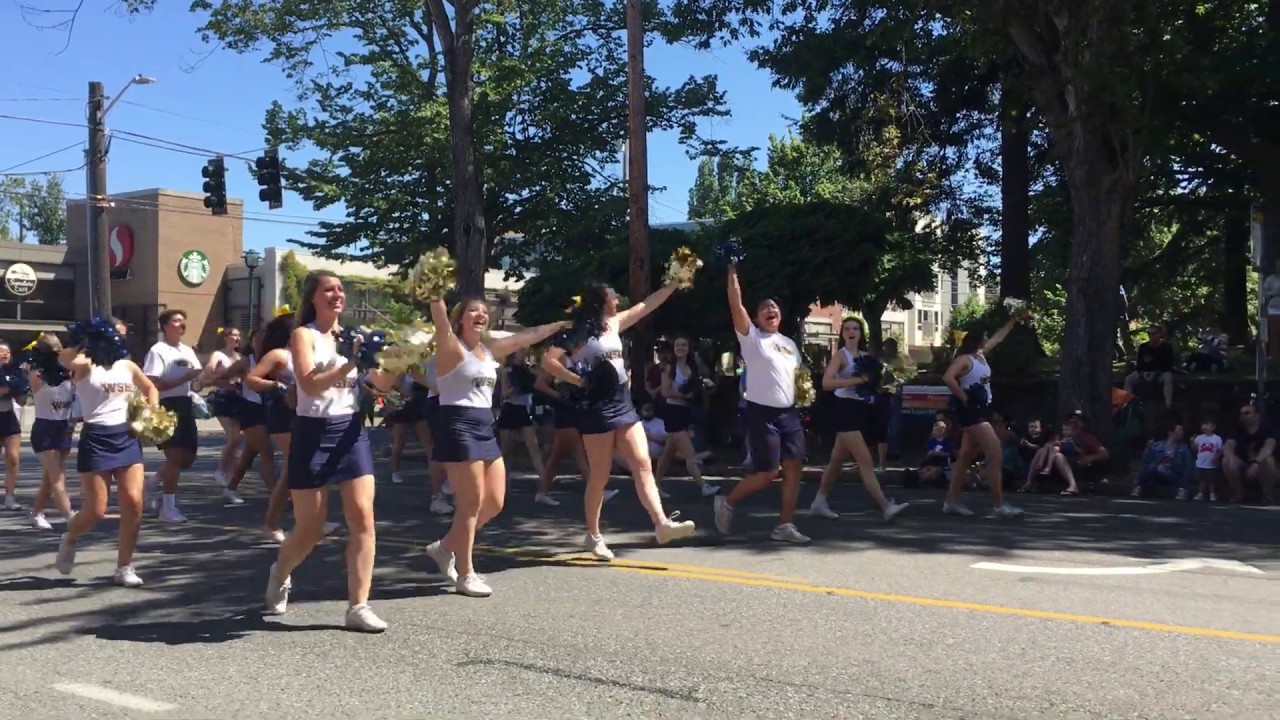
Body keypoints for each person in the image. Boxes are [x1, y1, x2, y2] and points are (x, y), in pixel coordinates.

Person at [263, 271, 395, 632]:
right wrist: (351, 362)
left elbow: (378, 382)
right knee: (310, 529)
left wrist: (401, 360)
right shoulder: (304, 335)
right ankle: (281, 571)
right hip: (312, 432)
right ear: (314, 298)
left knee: (363, 518)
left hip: (350, 430)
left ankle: (358, 607)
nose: (337, 294)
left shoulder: (354, 337)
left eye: (340, 289)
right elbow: (308, 384)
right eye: (329, 290)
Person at [423, 296, 567, 597]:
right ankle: (466, 573)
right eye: (473, 311)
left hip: (485, 426)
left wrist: (561, 325)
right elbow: (439, 317)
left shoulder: (488, 350)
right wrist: (434, 292)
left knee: (495, 503)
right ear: (460, 318)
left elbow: (527, 336)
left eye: (485, 312)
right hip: (457, 425)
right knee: (470, 505)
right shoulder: (451, 347)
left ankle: (445, 547)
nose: (480, 315)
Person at [541, 282, 696, 559]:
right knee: (600, 474)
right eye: (612, 295)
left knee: (642, 462)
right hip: (596, 406)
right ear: (601, 300)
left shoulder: (612, 324)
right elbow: (549, 362)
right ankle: (593, 535)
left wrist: (674, 282)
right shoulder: (578, 332)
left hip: (622, 402)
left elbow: (647, 305)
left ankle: (661, 524)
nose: (617, 299)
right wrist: (579, 381)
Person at [54, 319, 160, 587]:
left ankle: (124, 566)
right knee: (96, 511)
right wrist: (84, 343)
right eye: (113, 333)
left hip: (126, 437)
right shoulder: (85, 364)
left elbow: (150, 387)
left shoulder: (127, 365)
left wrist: (151, 409)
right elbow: (65, 359)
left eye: (122, 334)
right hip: (96, 438)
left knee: (134, 502)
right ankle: (71, 535)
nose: (118, 338)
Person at [713, 262, 810, 542]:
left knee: (794, 467)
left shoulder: (789, 344)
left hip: (789, 413)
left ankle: (784, 526)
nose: (771, 311)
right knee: (769, 472)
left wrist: (804, 394)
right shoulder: (752, 339)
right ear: (755, 318)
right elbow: (735, 304)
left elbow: (797, 378)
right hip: (761, 413)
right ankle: (726, 502)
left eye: (775, 308)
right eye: (765, 308)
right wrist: (731, 269)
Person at [809, 317, 908, 522]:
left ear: (861, 333)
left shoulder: (866, 357)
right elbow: (827, 383)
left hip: (860, 409)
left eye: (855, 328)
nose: (851, 331)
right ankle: (885, 506)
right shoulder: (841, 356)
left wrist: (882, 384)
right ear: (842, 333)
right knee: (865, 460)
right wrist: (856, 380)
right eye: (847, 329)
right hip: (843, 410)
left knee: (836, 461)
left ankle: (819, 502)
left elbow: (873, 383)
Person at [940, 315, 1027, 517]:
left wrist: (1012, 320)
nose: (988, 339)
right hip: (971, 412)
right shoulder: (964, 359)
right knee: (996, 454)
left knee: (965, 457)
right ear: (978, 340)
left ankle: (951, 502)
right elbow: (948, 377)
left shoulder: (980, 356)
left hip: (981, 409)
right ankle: (999, 506)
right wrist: (963, 397)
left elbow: (998, 338)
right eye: (984, 337)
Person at [142, 309, 208, 523]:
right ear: (165, 326)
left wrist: (207, 378)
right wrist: (184, 379)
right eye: (176, 321)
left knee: (188, 458)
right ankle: (167, 509)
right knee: (175, 457)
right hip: (166, 405)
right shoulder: (158, 350)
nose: (181, 325)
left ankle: (152, 482)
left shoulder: (187, 351)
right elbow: (152, 384)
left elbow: (196, 379)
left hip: (185, 404)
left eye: (183, 321)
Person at [653, 334, 718, 497]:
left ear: (689, 349)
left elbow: (698, 383)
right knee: (690, 452)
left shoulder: (692, 366)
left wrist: (703, 385)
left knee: (668, 453)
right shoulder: (669, 367)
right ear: (673, 349)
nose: (680, 349)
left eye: (684, 346)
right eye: (677, 346)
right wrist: (684, 395)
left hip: (685, 412)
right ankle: (703, 486)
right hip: (672, 412)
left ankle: (653, 485)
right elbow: (665, 391)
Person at [27, 334, 76, 530]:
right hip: (44, 428)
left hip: (64, 426)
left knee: (50, 476)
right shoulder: (37, 375)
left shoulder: (69, 372)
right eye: (53, 348)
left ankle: (36, 512)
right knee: (57, 475)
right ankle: (70, 515)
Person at [532, 361, 590, 507]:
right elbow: (539, 383)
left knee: (556, 457)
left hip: (573, 410)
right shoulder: (556, 364)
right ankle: (597, 490)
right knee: (579, 453)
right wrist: (557, 395)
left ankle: (542, 492)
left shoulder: (579, 362)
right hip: (564, 411)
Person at [496, 349, 546, 479]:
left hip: (524, 410)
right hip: (510, 408)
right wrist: (517, 387)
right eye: (521, 350)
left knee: (534, 449)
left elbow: (542, 377)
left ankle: (545, 487)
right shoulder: (507, 370)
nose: (524, 353)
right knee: (506, 452)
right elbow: (505, 393)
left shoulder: (528, 369)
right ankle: (502, 483)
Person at [204, 327, 244, 486]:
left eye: (238, 335)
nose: (237, 338)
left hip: (238, 398)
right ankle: (220, 470)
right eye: (234, 335)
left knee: (236, 440)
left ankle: (231, 481)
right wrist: (222, 381)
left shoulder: (239, 356)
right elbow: (209, 373)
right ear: (225, 337)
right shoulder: (218, 355)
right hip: (222, 397)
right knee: (234, 438)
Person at [1222, 401, 1277, 504]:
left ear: (1257, 415)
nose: (1243, 416)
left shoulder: (1267, 429)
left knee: (1269, 460)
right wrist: (1231, 458)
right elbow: (1229, 445)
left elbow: (1269, 447)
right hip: (1244, 467)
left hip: (1261, 468)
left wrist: (1256, 463)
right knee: (1226, 460)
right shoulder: (1238, 430)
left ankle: (1267, 496)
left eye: (1247, 413)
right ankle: (1239, 494)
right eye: (1241, 413)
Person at [1133, 422, 1193, 499]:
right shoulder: (1157, 445)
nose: (1181, 432)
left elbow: (1188, 466)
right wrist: (1148, 449)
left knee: (1161, 469)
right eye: (1179, 430)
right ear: (1171, 432)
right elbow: (1146, 462)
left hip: (1172, 475)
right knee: (1152, 467)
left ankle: (1181, 490)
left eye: (1182, 430)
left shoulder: (1183, 448)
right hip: (1156, 473)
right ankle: (1138, 487)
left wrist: (1183, 484)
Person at [0, 342, 26, 511]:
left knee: (13, 458)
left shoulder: (15, 373)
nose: (5, 354)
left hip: (9, 416)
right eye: (1, 351)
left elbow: (21, 402)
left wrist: (19, 390)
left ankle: (10, 497)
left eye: (7, 351)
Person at [1122, 326, 1176, 407]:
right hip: (1144, 373)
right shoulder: (1143, 347)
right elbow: (1140, 364)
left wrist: (1155, 373)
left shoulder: (1166, 347)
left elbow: (1168, 365)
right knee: (1129, 379)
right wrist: (1143, 373)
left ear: (1159, 334)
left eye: (1154, 333)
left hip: (1160, 373)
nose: (1151, 336)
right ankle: (1127, 404)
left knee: (1168, 377)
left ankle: (1168, 405)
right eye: (1149, 333)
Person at [1191, 418, 1223, 502]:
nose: (1204, 426)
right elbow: (1194, 449)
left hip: (1211, 464)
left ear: (1213, 427)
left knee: (1211, 480)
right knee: (1202, 479)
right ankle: (1201, 493)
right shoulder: (1199, 438)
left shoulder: (1217, 438)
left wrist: (1216, 457)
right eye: (1203, 424)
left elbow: (1220, 450)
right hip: (1201, 463)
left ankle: (1212, 494)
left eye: (1207, 424)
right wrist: (1192, 442)